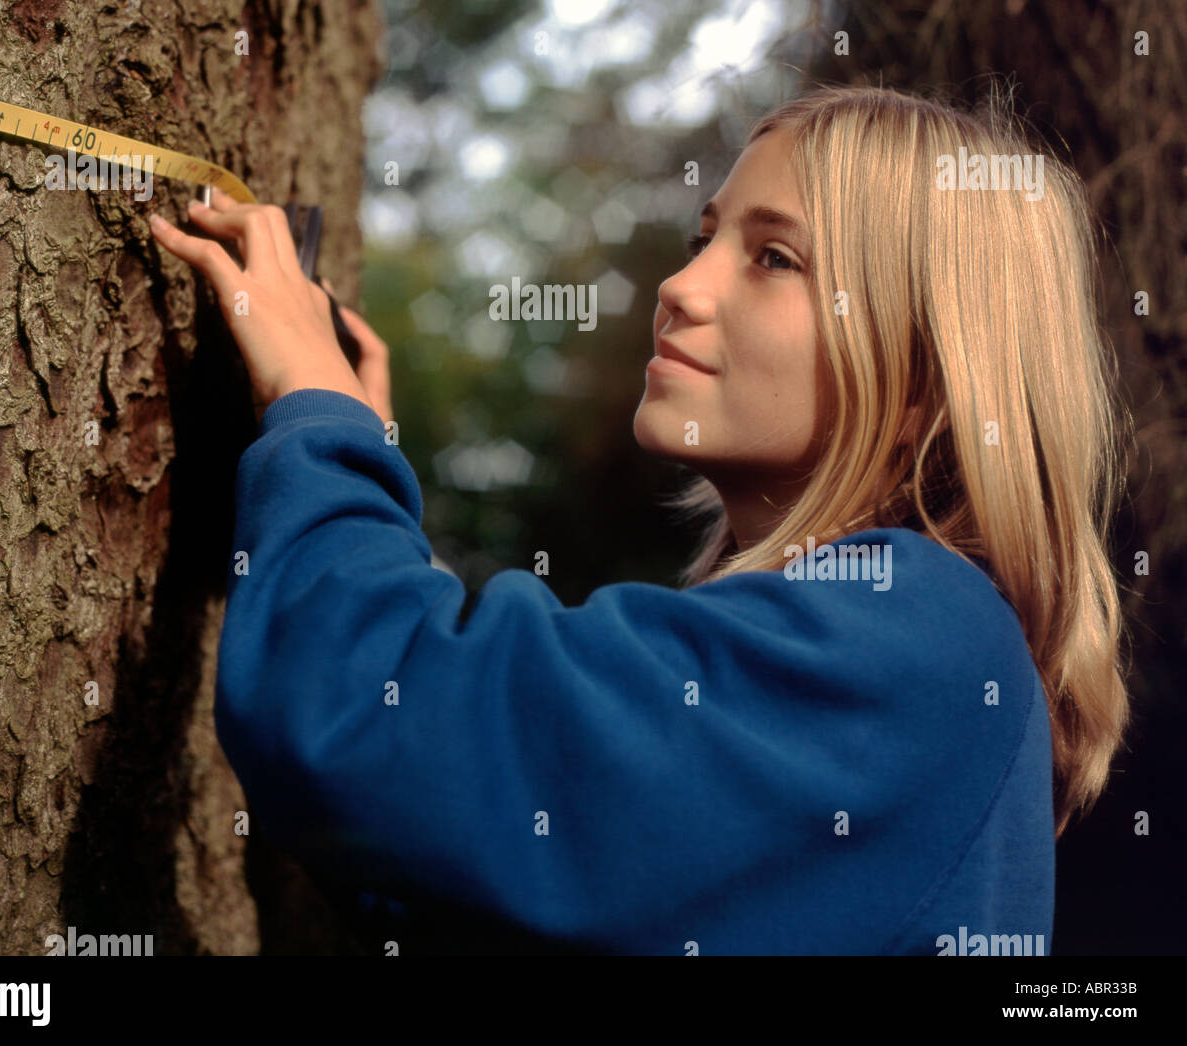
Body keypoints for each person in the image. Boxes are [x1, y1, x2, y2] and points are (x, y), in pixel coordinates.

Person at [148, 83, 1130, 955]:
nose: (680, 285)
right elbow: (454, 875)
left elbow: (358, 715)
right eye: (706, 238)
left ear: (925, 379)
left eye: (773, 257)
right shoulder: (897, 650)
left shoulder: (923, 637)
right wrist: (344, 449)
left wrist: (323, 424)